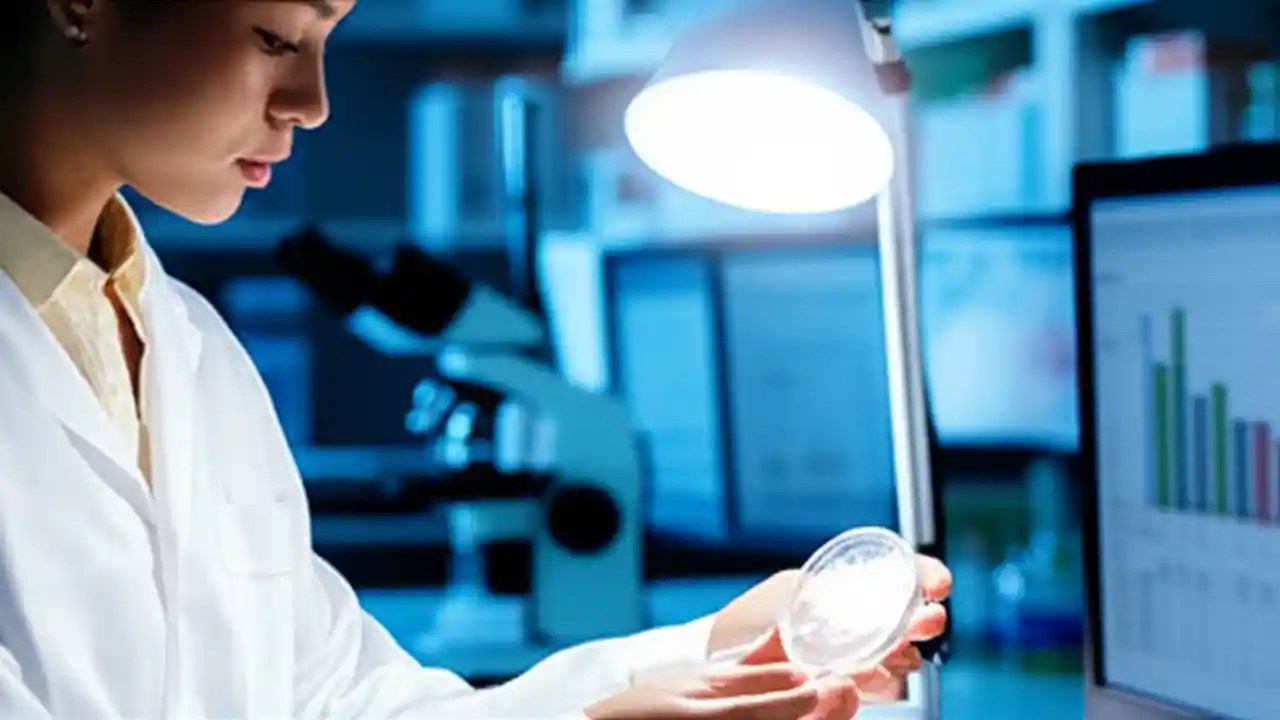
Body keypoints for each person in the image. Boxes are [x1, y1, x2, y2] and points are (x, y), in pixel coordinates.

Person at [0, 1, 952, 718]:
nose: (313, 104)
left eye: (327, 42)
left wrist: (711, 649)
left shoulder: (194, 348)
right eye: (277, 37)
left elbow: (343, 701)